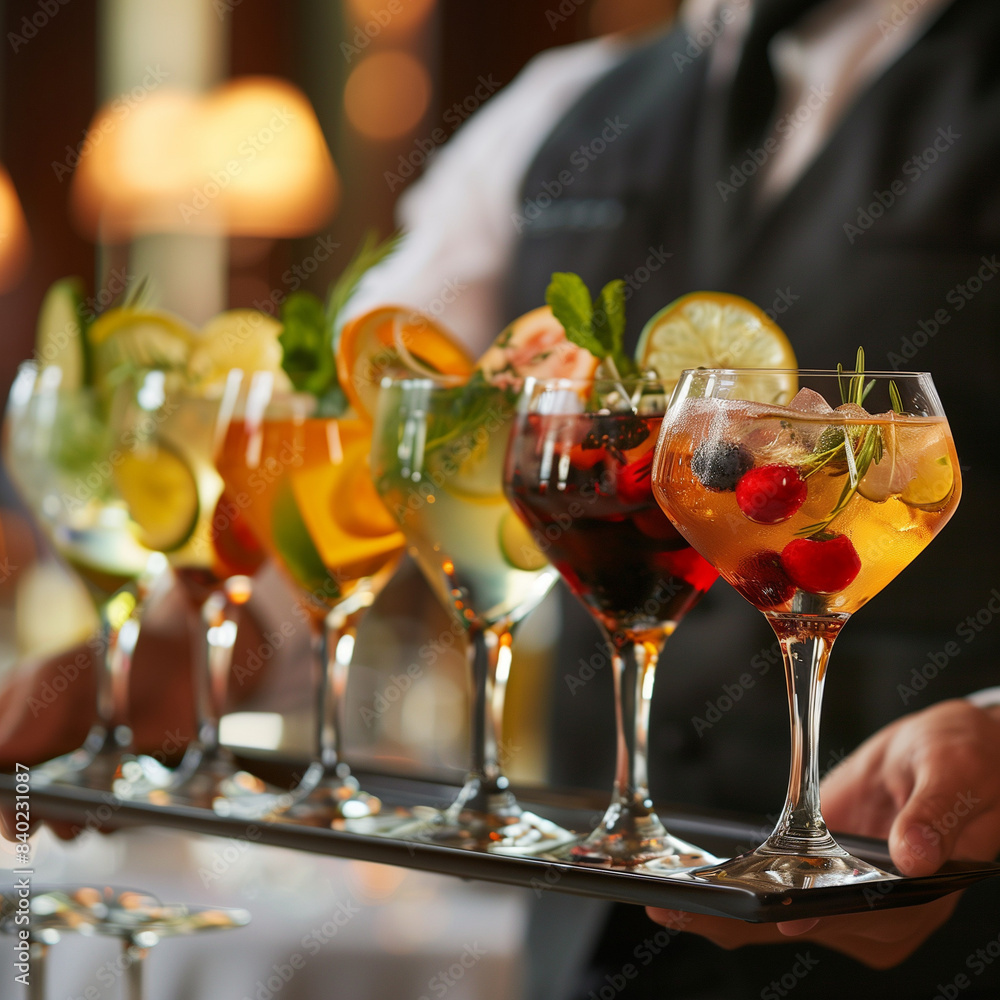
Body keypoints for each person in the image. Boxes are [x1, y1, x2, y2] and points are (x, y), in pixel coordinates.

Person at [340, 0, 1000, 994]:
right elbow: (373, 422)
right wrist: (196, 615)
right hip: (594, 933)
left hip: (939, 923)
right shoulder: (554, 108)